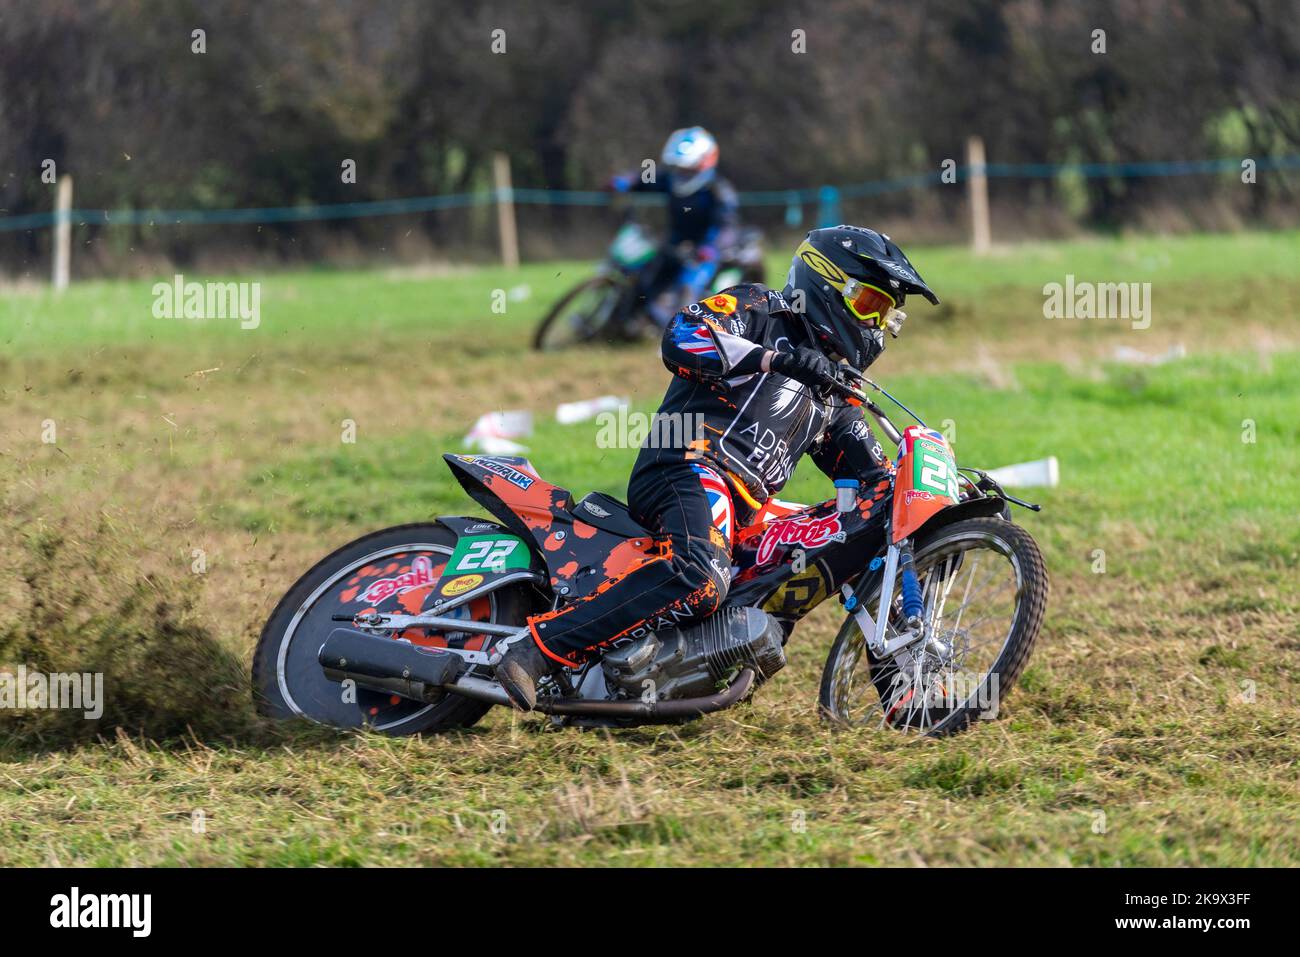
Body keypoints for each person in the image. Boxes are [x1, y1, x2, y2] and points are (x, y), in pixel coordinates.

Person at [496, 225, 940, 710]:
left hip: (746, 508)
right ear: (829, 282)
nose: (877, 325)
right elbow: (680, 336)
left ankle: (906, 691)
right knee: (702, 576)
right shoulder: (760, 308)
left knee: (863, 520)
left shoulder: (833, 392)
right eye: (871, 305)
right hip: (685, 464)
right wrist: (777, 360)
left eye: (888, 316)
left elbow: (874, 480)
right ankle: (536, 649)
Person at [610, 126, 739, 325]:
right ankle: (631, 320)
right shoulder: (670, 179)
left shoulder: (719, 191)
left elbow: (727, 228)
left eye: (688, 168)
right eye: (679, 168)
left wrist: (710, 249)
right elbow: (645, 178)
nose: (682, 172)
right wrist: (623, 182)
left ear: (704, 162)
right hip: (674, 243)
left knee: (689, 286)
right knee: (645, 277)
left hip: (705, 250)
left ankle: (683, 332)